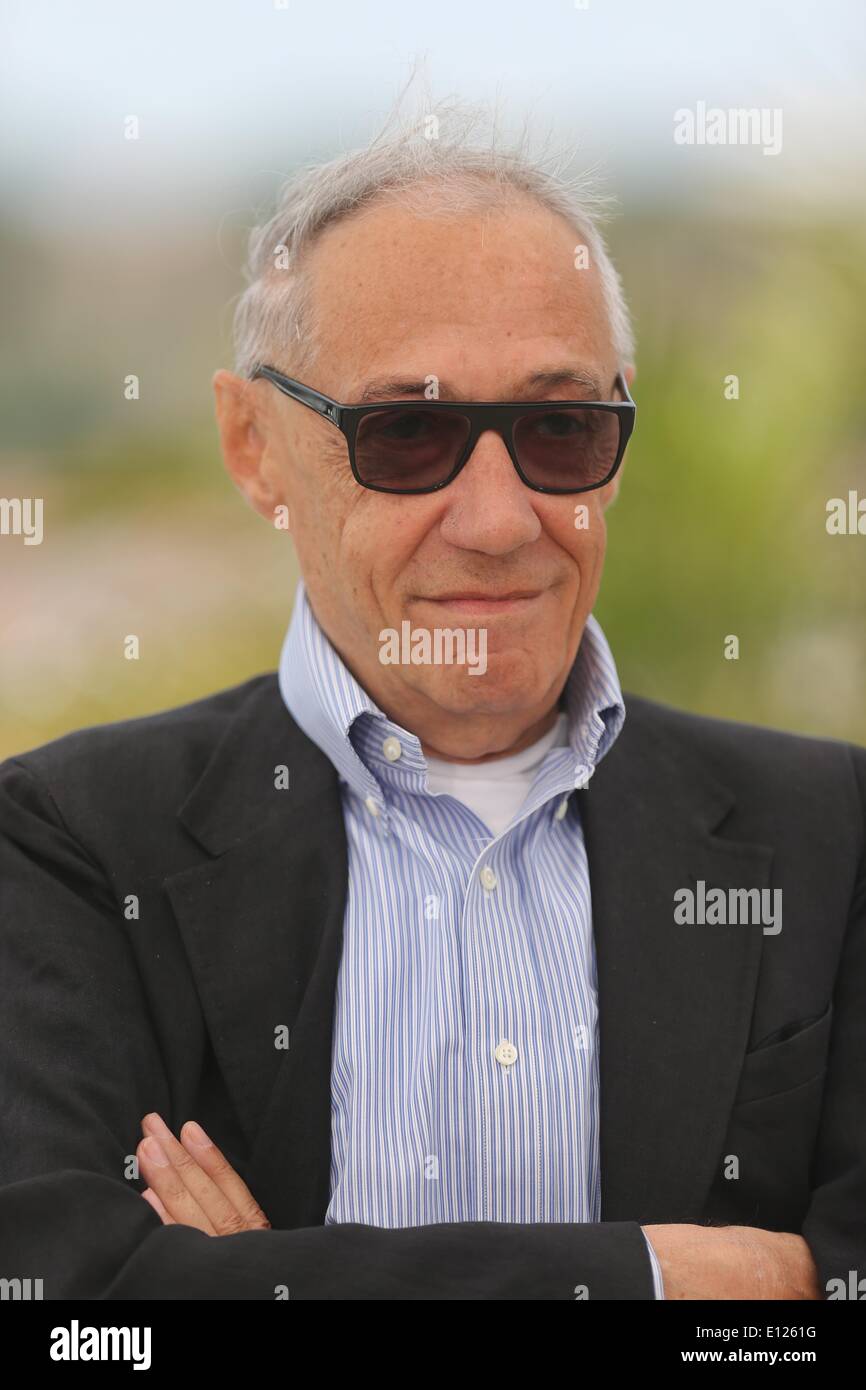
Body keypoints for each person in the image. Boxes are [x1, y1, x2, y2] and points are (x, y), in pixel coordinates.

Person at [1, 103, 863, 1300]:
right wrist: (675, 1279)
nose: (499, 519)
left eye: (560, 429)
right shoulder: (69, 843)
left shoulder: (835, 836)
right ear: (254, 447)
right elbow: (69, 1305)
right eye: (408, 434)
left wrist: (268, 1282)